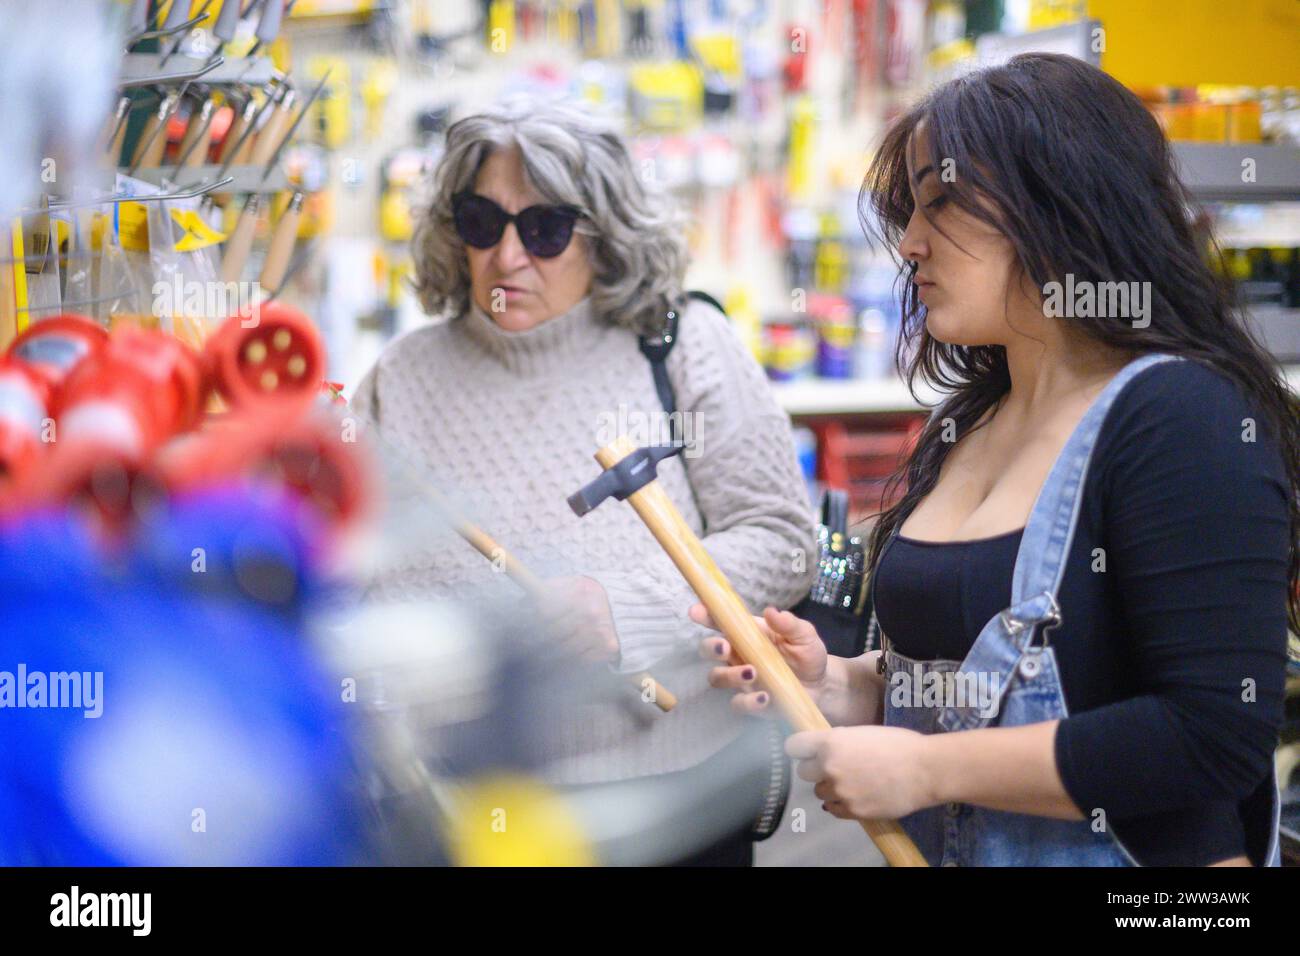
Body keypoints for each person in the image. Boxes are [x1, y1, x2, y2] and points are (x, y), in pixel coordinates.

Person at [698, 53, 1297, 867]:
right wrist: (839, 685)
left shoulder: (1181, 417)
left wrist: (924, 769)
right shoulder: (973, 420)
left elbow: (1212, 733)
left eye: (942, 204)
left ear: (1062, 206)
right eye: (911, 209)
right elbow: (987, 677)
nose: (909, 242)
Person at [350, 98, 816, 865]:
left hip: (675, 810)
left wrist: (621, 608)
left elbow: (785, 542)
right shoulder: (399, 378)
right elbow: (353, 585)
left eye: (544, 229)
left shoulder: (680, 345)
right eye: (481, 222)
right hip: (469, 822)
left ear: (604, 236)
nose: (507, 257)